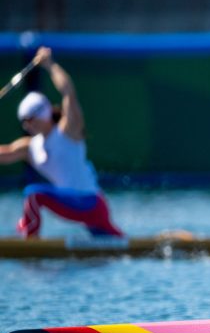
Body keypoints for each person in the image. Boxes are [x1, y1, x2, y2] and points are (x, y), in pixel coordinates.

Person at [0, 46, 123, 238]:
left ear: (44, 114)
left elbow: (68, 93)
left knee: (33, 194)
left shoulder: (68, 130)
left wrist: (50, 65)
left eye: (30, 119)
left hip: (90, 203)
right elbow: (4, 154)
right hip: (77, 207)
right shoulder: (30, 147)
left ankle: (30, 240)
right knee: (117, 242)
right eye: (23, 121)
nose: (27, 125)